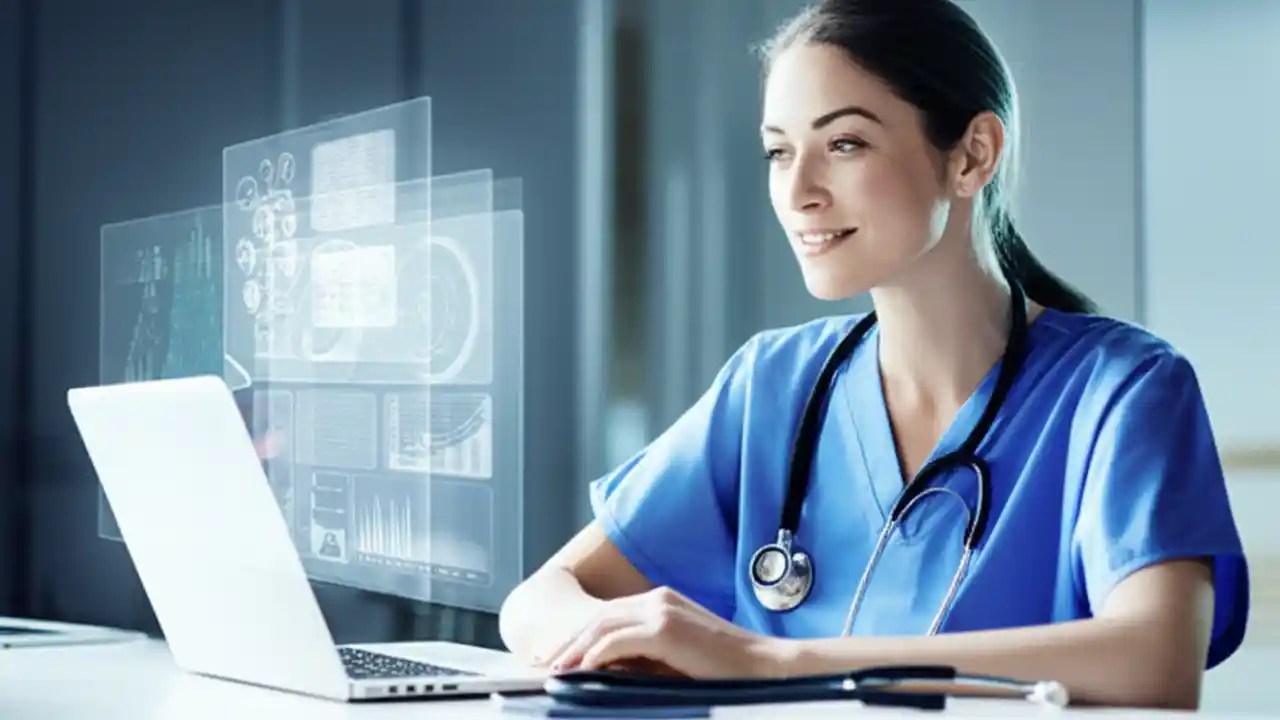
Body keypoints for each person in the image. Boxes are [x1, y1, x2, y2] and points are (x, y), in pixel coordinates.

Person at [498, 0, 1248, 709]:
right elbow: (538, 600)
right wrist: (623, 644)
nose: (798, 191)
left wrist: (768, 663)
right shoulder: (773, 386)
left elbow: (1156, 662)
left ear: (972, 155)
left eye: (845, 144)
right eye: (778, 151)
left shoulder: (1124, 390)